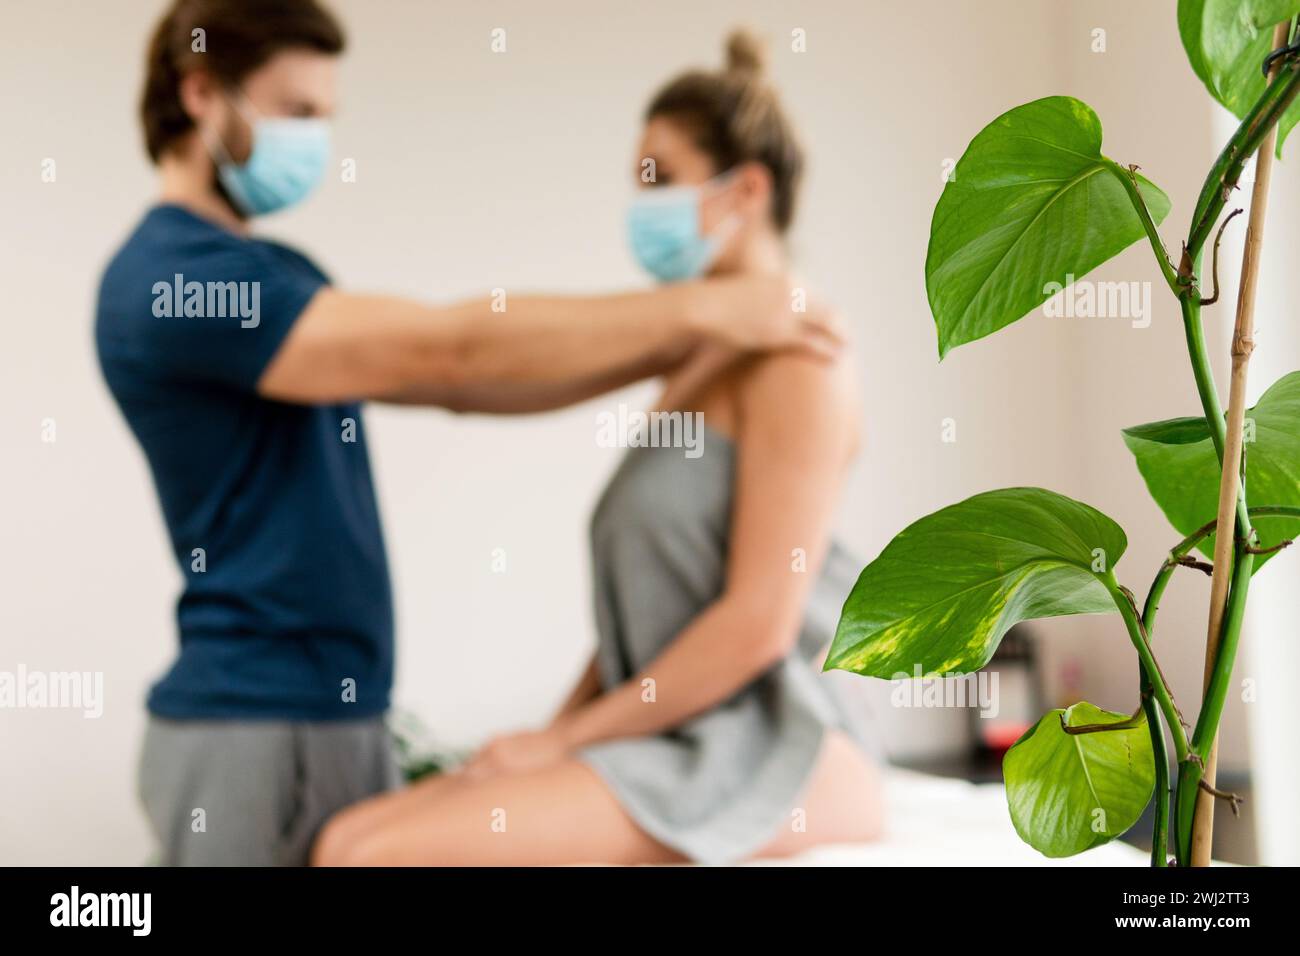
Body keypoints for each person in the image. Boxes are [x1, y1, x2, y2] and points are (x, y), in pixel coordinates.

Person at [99, 0, 842, 866]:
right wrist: (705, 309)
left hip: (327, 715)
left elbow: (473, 385)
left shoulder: (276, 272)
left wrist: (694, 334)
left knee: (360, 848)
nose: (316, 144)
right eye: (297, 113)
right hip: (255, 724)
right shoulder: (177, 284)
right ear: (199, 93)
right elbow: (450, 353)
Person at [313, 30, 883, 867]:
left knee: (372, 859)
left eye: (659, 178)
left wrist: (566, 741)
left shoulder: (804, 360)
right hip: (677, 736)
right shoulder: (691, 363)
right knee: (344, 838)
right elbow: (651, 617)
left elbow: (757, 626)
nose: (639, 203)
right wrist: (551, 735)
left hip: (777, 753)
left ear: (747, 190)